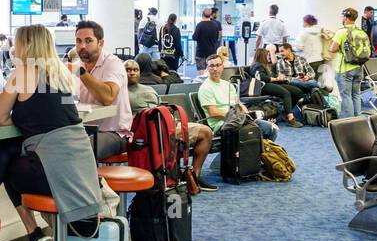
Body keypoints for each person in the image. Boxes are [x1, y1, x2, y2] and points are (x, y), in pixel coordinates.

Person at [0, 25, 94, 241]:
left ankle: (30, 230)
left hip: (51, 173)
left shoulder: (23, 73)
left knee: (8, 158)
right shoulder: (62, 74)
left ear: (26, 45)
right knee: (13, 150)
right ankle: (35, 234)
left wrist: (22, 119)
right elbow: (63, 114)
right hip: (80, 171)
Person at [123, 60, 215, 190]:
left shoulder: (149, 89)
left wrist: (171, 117)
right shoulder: (120, 92)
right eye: (128, 70)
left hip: (166, 125)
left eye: (135, 69)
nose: (132, 72)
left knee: (205, 132)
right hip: (146, 131)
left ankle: (194, 176)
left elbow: (161, 106)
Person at [70, 19, 133, 160]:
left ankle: (93, 182)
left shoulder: (113, 63)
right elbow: (68, 97)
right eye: (78, 41)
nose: (82, 46)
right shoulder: (77, 65)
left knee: (79, 151)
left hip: (114, 133)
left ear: (101, 43)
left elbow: (108, 97)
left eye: (88, 41)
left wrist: (81, 73)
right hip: (83, 129)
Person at [197, 54, 279, 141]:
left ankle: (260, 153)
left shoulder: (227, 85)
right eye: (211, 66)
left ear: (222, 66)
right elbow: (214, 113)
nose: (215, 69)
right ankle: (254, 153)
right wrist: (240, 117)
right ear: (207, 68)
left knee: (272, 129)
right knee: (254, 132)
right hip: (224, 125)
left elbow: (239, 104)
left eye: (218, 65)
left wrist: (247, 114)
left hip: (238, 120)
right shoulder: (206, 88)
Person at [246, 48, 305, 128]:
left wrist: (278, 77)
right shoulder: (256, 65)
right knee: (286, 93)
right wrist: (277, 79)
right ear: (263, 56)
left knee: (297, 92)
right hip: (262, 87)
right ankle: (290, 118)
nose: (269, 57)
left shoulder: (263, 65)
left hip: (270, 84)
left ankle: (285, 111)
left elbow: (269, 77)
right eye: (268, 55)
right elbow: (262, 78)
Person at [330, 7, 370, 118]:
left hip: (344, 69)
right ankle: (358, 119)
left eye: (343, 16)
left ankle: (349, 121)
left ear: (346, 17)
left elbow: (332, 49)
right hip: (358, 67)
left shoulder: (341, 32)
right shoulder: (362, 32)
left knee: (346, 96)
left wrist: (338, 48)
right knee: (356, 95)